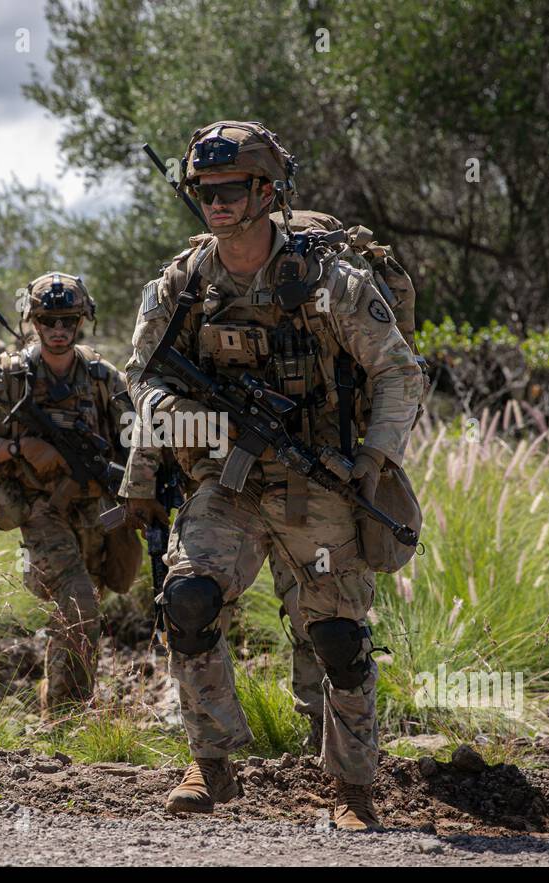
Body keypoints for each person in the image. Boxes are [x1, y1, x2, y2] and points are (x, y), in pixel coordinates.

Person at [121, 121, 424, 831]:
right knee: (190, 601)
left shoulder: (327, 282)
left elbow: (398, 372)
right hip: (226, 485)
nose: (216, 204)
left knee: (340, 641)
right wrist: (193, 421)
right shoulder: (183, 284)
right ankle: (212, 760)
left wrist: (371, 461)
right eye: (205, 191)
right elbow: (142, 380)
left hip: (316, 480)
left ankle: (351, 789)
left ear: (266, 191)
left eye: (230, 190)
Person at [0, 273, 141, 713]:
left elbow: (134, 440)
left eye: (68, 320)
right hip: (41, 511)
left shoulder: (103, 377)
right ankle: (67, 715)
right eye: (48, 320)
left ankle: (61, 697)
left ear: (82, 320)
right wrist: (21, 447)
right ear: (33, 321)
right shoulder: (8, 379)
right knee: (79, 603)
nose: (59, 330)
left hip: (96, 509)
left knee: (87, 606)